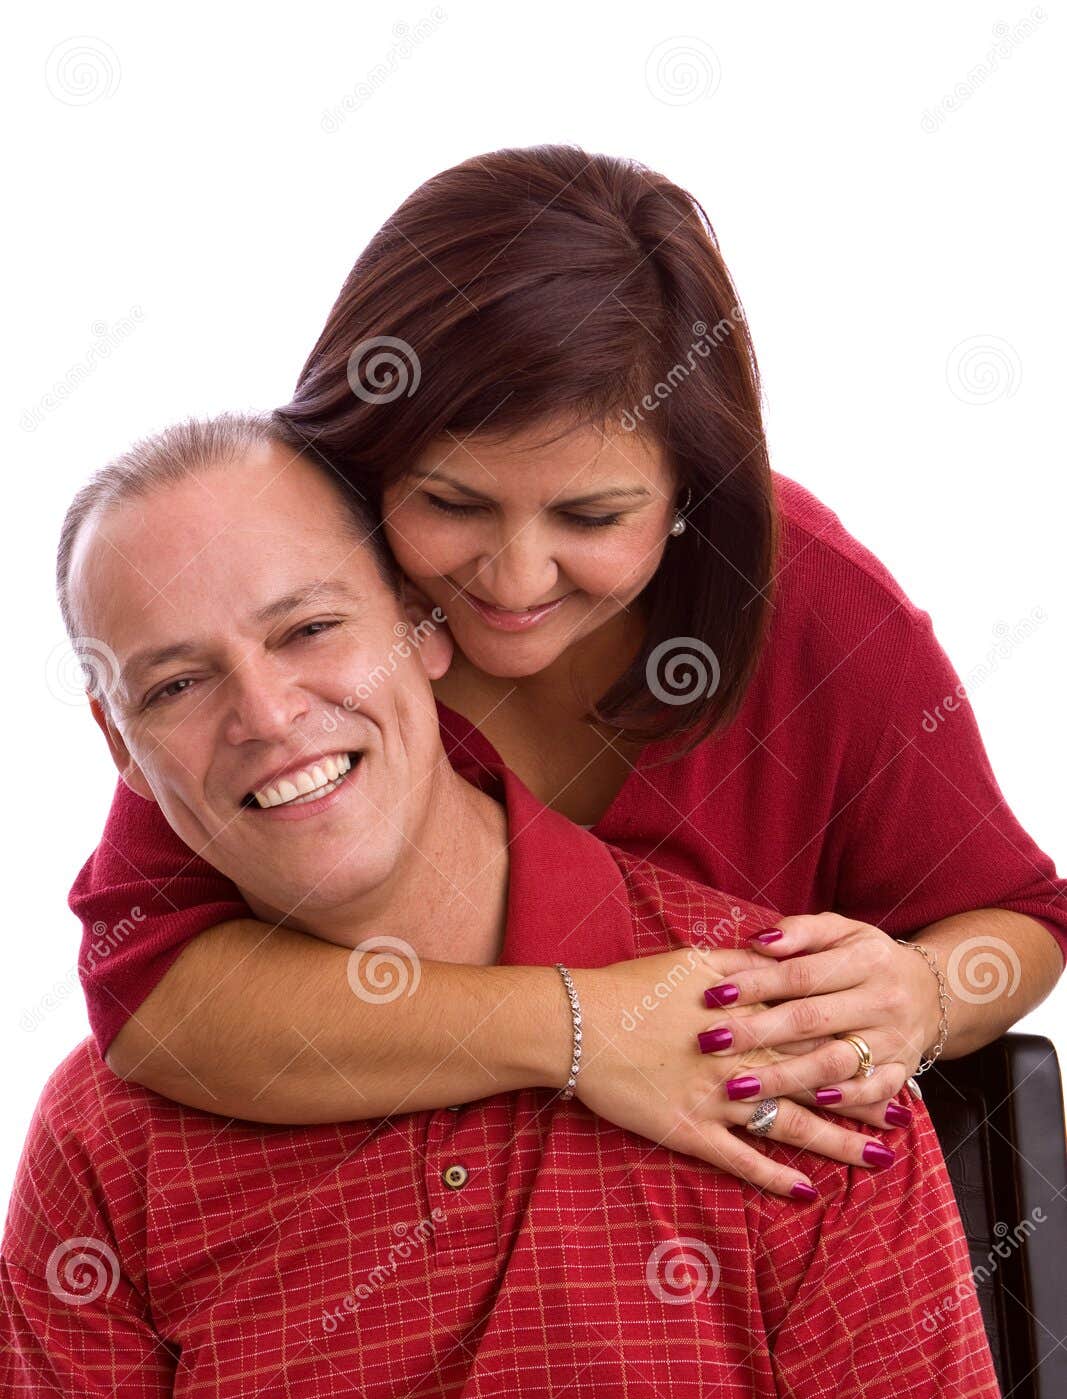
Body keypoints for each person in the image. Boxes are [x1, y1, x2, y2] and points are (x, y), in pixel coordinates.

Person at [1, 414, 1051, 1399]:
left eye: (310, 629)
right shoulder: (103, 1143)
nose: (267, 714)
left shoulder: (775, 1026)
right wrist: (571, 1030)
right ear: (122, 747)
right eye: (179, 682)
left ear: (422, 627)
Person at [68, 145, 1066, 1196]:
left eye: (591, 517)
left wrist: (923, 991)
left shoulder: (813, 606)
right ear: (364, 467)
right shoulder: (306, 624)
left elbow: (1018, 921)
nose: (512, 577)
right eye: (451, 504)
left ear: (691, 494)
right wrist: (584, 1030)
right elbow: (154, 995)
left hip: (734, 1242)